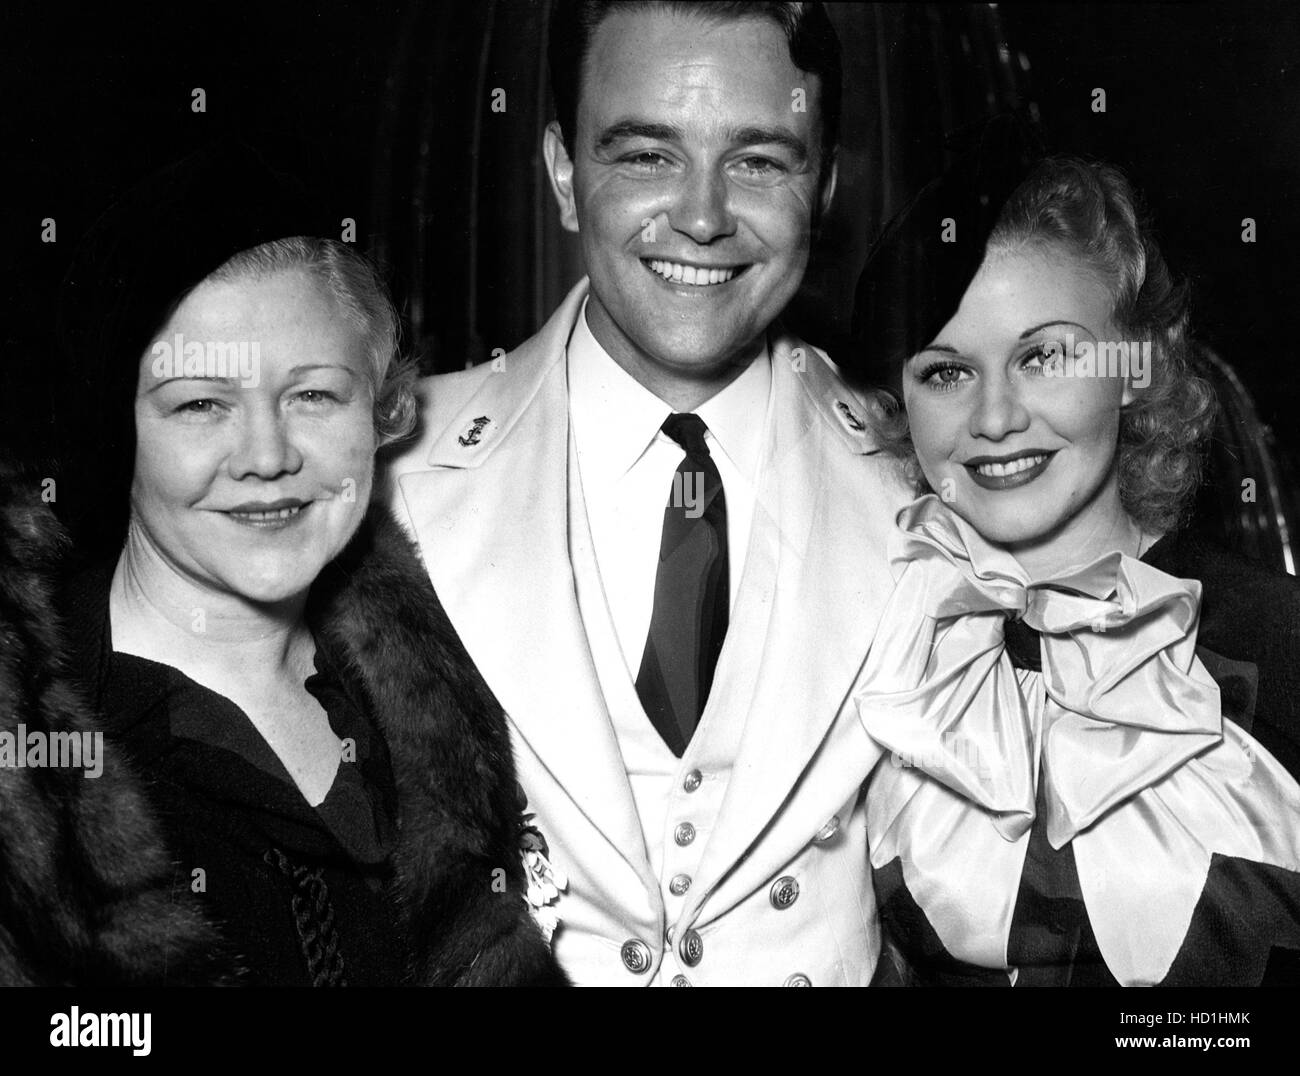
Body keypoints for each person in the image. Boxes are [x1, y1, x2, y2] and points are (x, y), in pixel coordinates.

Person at [385, 0, 912, 986]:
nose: (703, 215)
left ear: (826, 185)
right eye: (644, 155)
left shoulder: (927, 489)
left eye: (759, 159)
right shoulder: (383, 479)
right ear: (562, 174)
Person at [0, 144, 567, 986]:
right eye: (201, 404)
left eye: (313, 396)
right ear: (117, 432)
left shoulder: (437, 674)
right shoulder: (37, 757)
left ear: (381, 408)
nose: (267, 456)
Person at [853, 154, 1300, 986]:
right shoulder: (886, 643)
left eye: (1044, 358)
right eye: (946, 372)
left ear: (1134, 368)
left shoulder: (1280, 639)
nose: (994, 418)